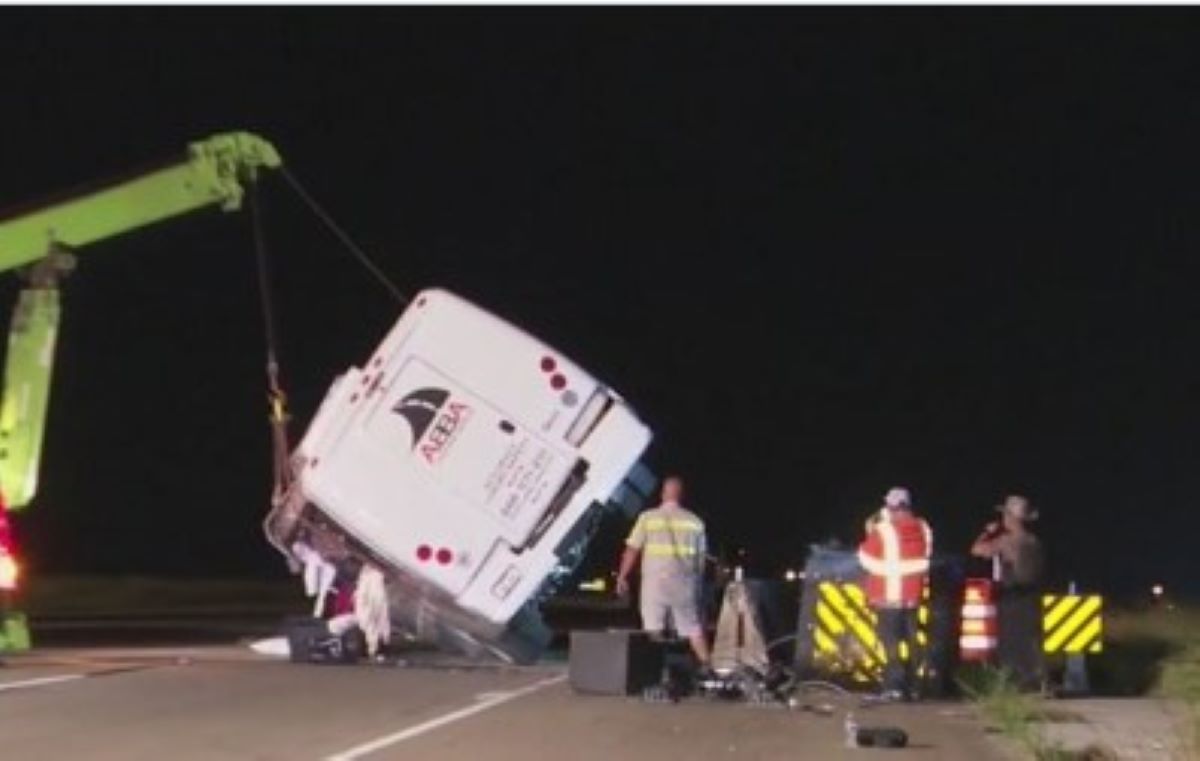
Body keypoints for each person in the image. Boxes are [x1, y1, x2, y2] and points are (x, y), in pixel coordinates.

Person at [616, 475, 711, 668]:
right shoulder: (695, 522)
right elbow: (701, 561)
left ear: (663, 494)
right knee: (693, 630)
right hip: (685, 583)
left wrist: (622, 576)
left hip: (655, 582)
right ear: (681, 495)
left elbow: (632, 549)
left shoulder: (647, 518)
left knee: (653, 630)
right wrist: (698, 587)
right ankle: (709, 669)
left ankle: (653, 673)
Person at [857, 487, 933, 701]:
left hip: (887, 596)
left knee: (890, 644)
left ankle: (894, 688)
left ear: (891, 507)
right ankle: (915, 688)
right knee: (912, 642)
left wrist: (873, 527)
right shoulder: (924, 528)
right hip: (912, 596)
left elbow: (865, 558)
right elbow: (924, 557)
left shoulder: (883, 530)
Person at [971, 494, 1045, 691]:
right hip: (1030, 597)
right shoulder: (1033, 541)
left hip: (1010, 596)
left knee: (1010, 642)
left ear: (1011, 518)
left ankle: (1015, 683)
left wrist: (987, 533)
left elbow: (977, 550)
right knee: (1028, 642)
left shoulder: (1006, 541)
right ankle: (1033, 682)